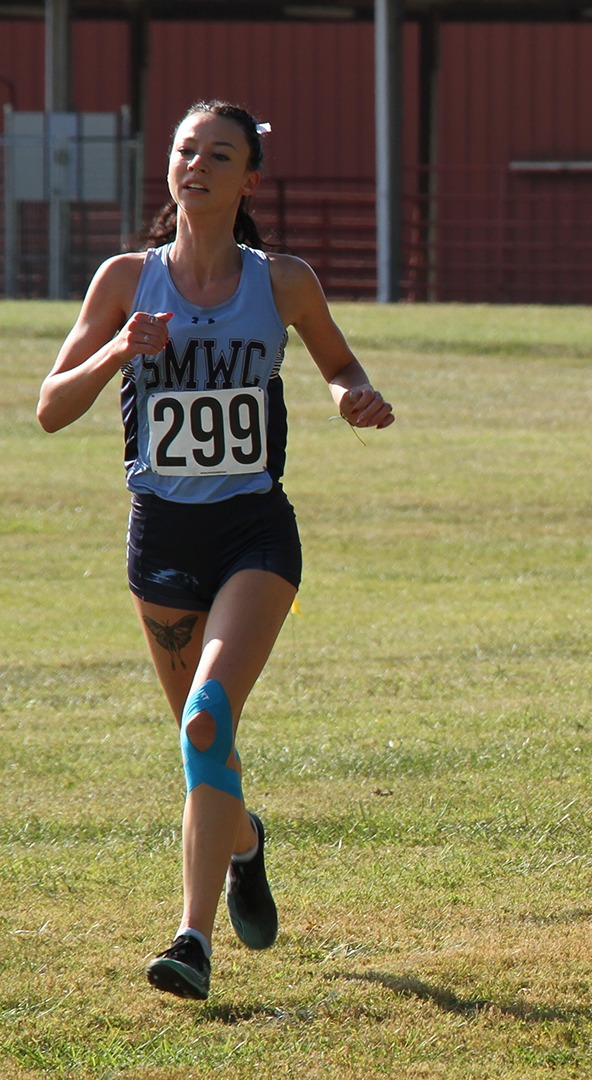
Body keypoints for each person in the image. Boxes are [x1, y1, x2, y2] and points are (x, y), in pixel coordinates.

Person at [37, 100, 395, 1000]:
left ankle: (190, 941)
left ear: (250, 181)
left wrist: (356, 395)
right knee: (206, 748)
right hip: (159, 534)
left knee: (206, 714)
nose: (196, 163)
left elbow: (341, 365)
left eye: (218, 153)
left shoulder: (283, 282)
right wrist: (120, 349)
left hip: (252, 533)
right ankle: (243, 841)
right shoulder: (125, 280)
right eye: (185, 149)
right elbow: (49, 406)